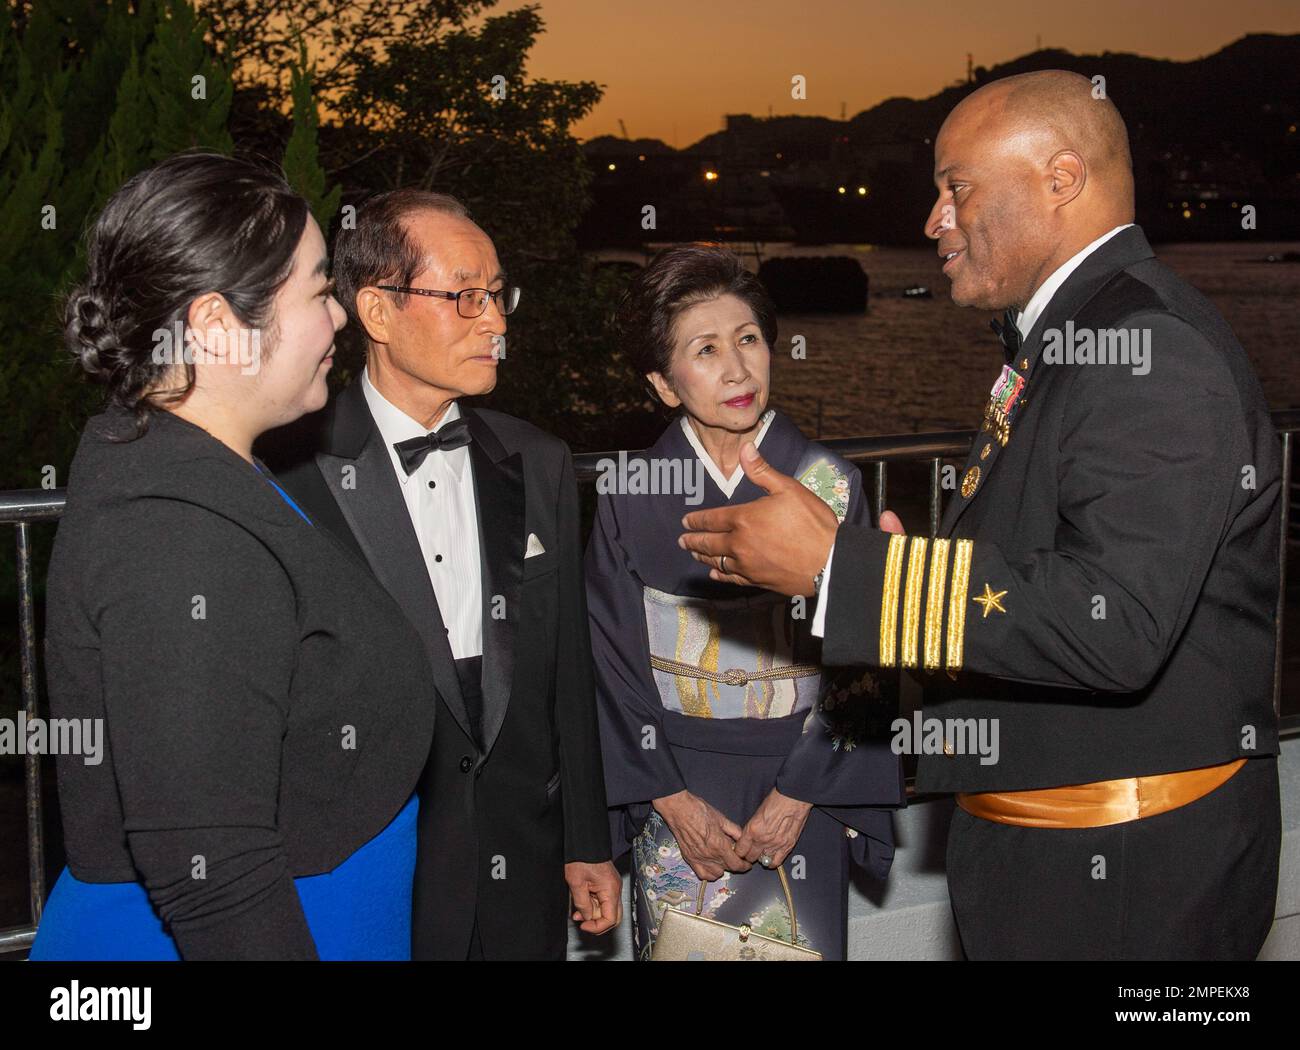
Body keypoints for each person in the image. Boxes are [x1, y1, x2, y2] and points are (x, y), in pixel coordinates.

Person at [678, 71, 1283, 960]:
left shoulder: (1148, 349)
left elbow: (1114, 624)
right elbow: (1054, 556)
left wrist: (844, 572)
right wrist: (889, 565)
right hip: (1062, 843)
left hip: (1123, 864)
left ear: (1061, 179)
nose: (933, 220)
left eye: (956, 187)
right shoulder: (1081, 332)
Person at [31, 152, 436, 960]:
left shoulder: (203, 461)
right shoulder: (177, 535)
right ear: (218, 327)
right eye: (320, 291)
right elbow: (211, 873)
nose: (340, 318)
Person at [259, 189, 620, 961]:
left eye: (497, 295)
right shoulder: (288, 472)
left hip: (522, 862)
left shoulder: (540, 460)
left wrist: (588, 839)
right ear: (378, 313)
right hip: (373, 869)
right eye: (465, 296)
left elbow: (567, 670)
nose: (496, 321)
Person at [586, 245, 904, 961]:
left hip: (802, 779)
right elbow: (606, 660)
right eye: (705, 349)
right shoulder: (628, 491)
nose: (737, 368)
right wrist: (665, 796)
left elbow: (865, 651)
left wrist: (802, 793)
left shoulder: (830, 484)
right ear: (665, 385)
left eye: (749, 339)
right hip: (674, 780)